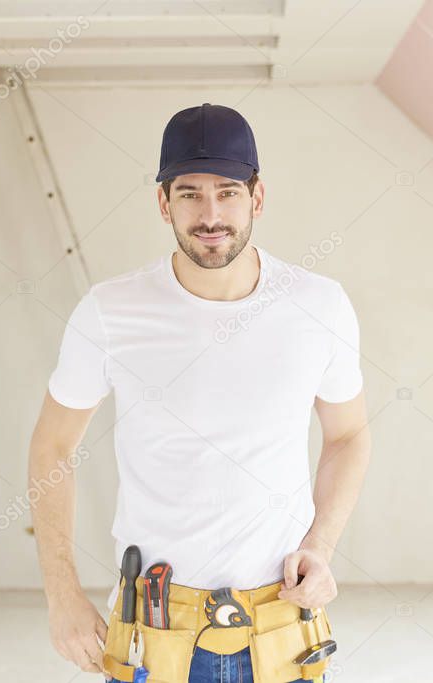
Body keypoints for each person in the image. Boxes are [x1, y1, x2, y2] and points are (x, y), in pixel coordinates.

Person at [28, 103, 371, 683]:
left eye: (228, 192)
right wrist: (62, 595)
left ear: (257, 197)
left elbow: (349, 434)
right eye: (189, 194)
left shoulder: (319, 306)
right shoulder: (110, 311)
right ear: (163, 203)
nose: (211, 215)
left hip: (282, 629)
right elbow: (51, 447)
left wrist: (321, 546)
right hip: (154, 635)